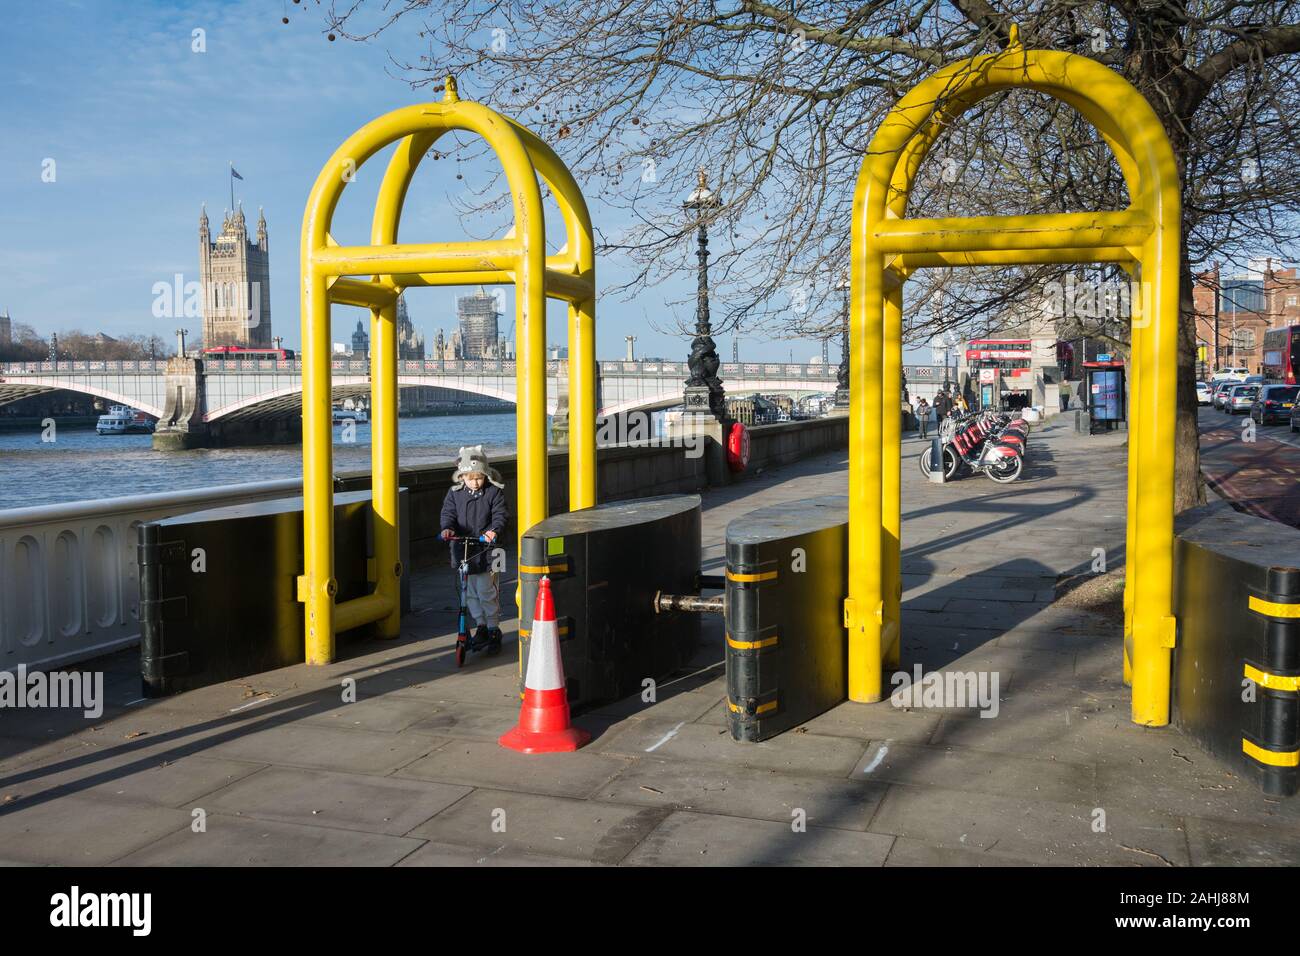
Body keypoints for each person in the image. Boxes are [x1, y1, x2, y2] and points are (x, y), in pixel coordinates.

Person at [440, 445, 509, 655]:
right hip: (463, 549)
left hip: (488, 549)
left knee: (487, 590)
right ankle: (480, 624)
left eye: (479, 477)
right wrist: (447, 528)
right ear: (461, 477)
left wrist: (493, 531)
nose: (475, 482)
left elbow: (500, 514)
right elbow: (448, 513)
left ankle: (493, 626)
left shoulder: (493, 492)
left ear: (485, 474)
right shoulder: (455, 494)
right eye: (470, 478)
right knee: (468, 592)